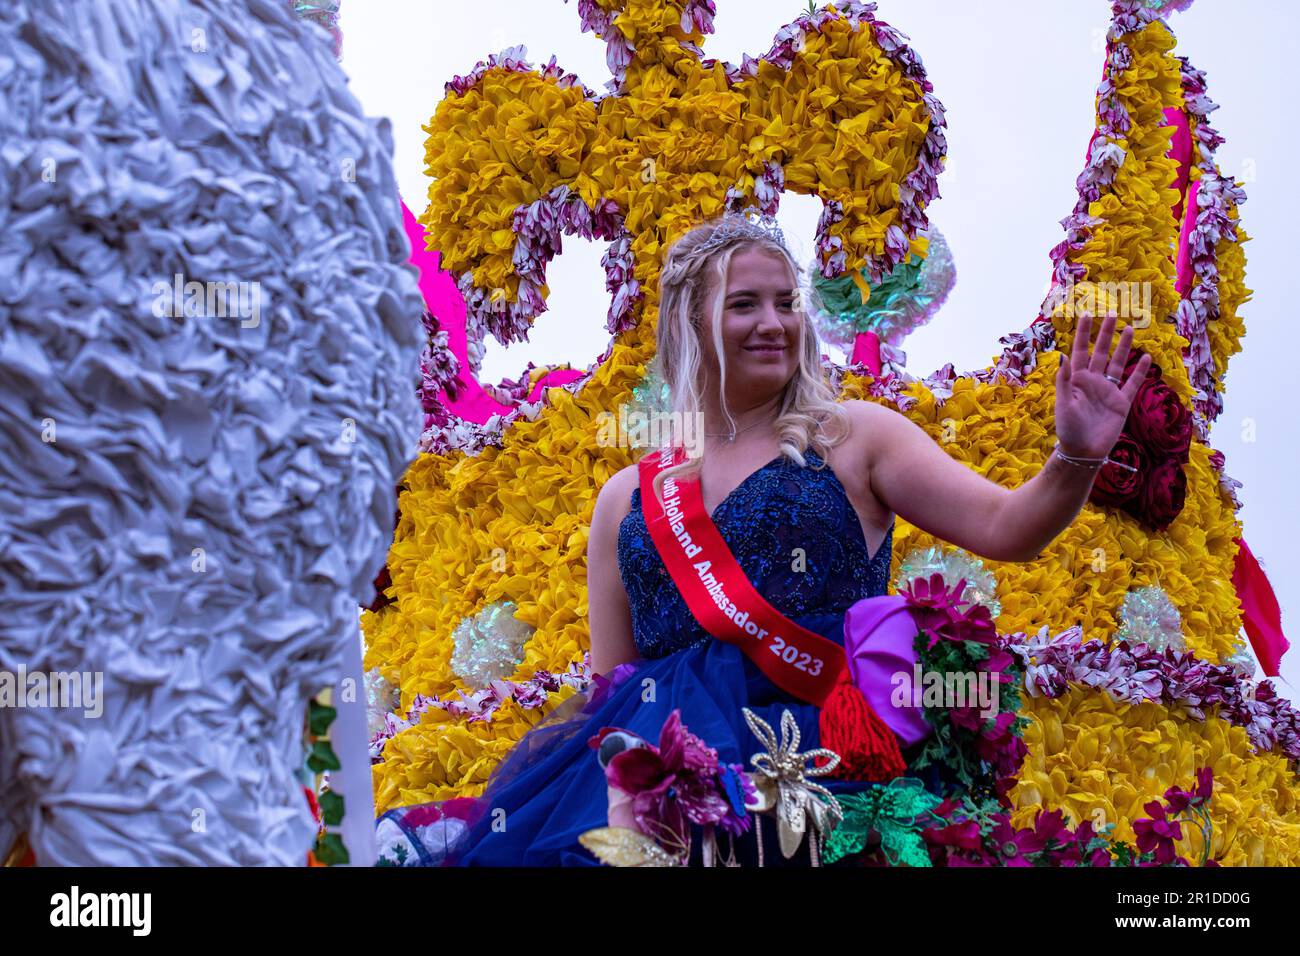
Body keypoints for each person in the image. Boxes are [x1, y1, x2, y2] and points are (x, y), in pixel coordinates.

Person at [374, 212, 1151, 867]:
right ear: (689, 322)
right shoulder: (626, 500)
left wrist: (1076, 454)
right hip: (669, 788)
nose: (775, 322)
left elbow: (1008, 528)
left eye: (787, 302)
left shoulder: (855, 437)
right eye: (745, 303)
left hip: (830, 764)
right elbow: (610, 693)